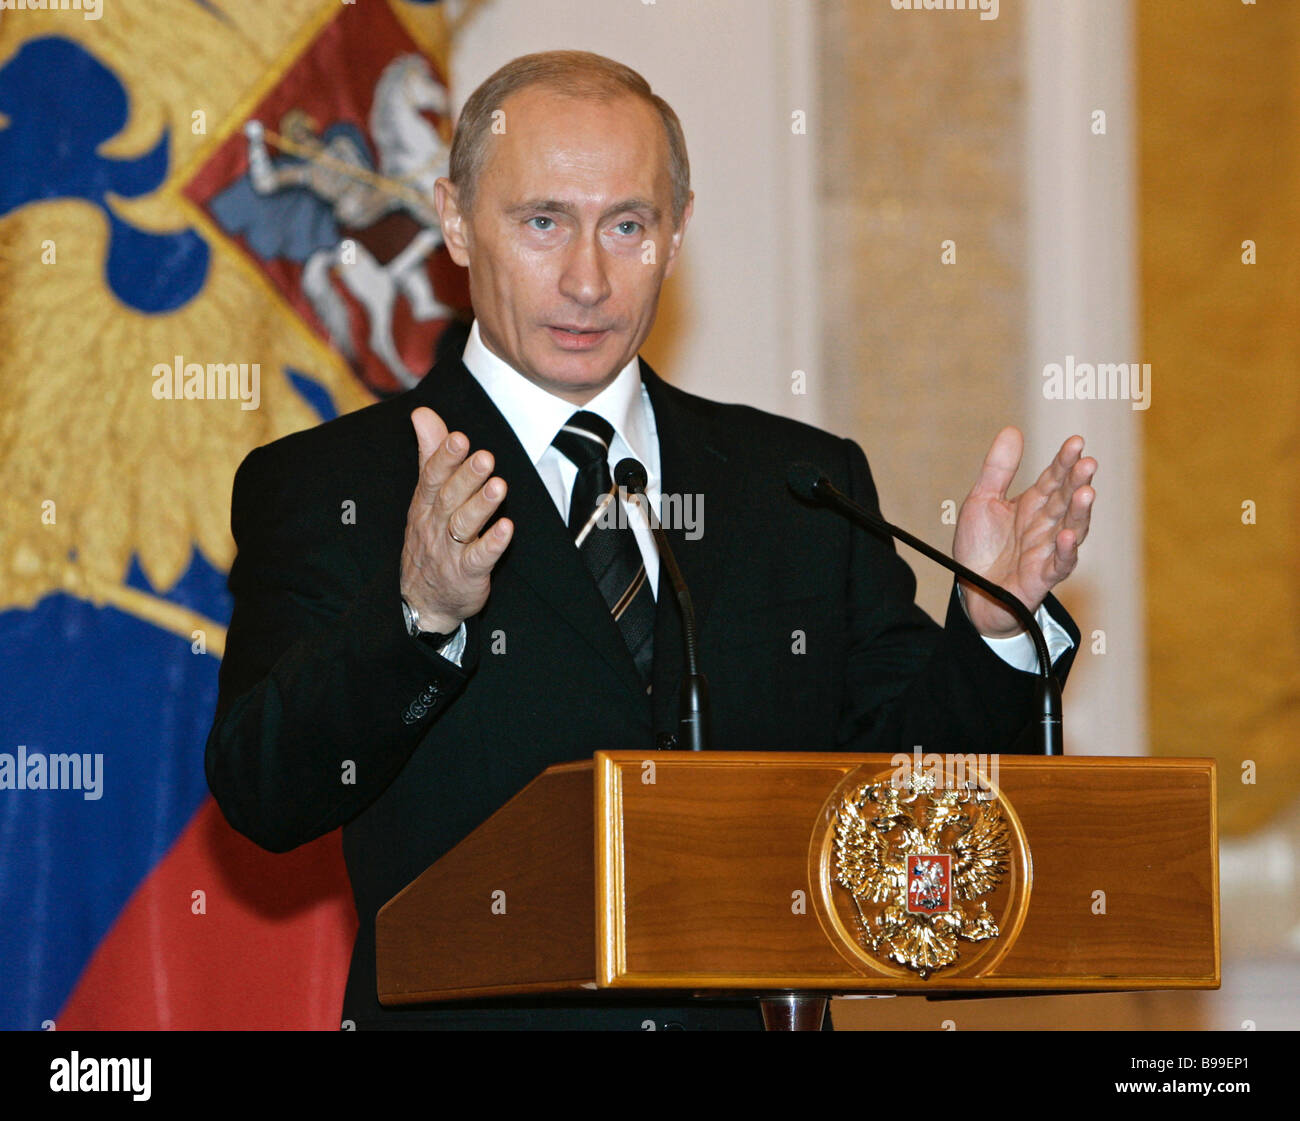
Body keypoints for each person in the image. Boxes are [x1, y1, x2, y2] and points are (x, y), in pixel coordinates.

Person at [205, 50, 1096, 1031]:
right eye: (543, 222)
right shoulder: (338, 484)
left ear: (676, 235)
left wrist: (992, 623)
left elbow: (912, 803)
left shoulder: (797, 486)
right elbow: (265, 789)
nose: (587, 279)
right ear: (454, 221)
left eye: (627, 225)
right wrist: (416, 615)